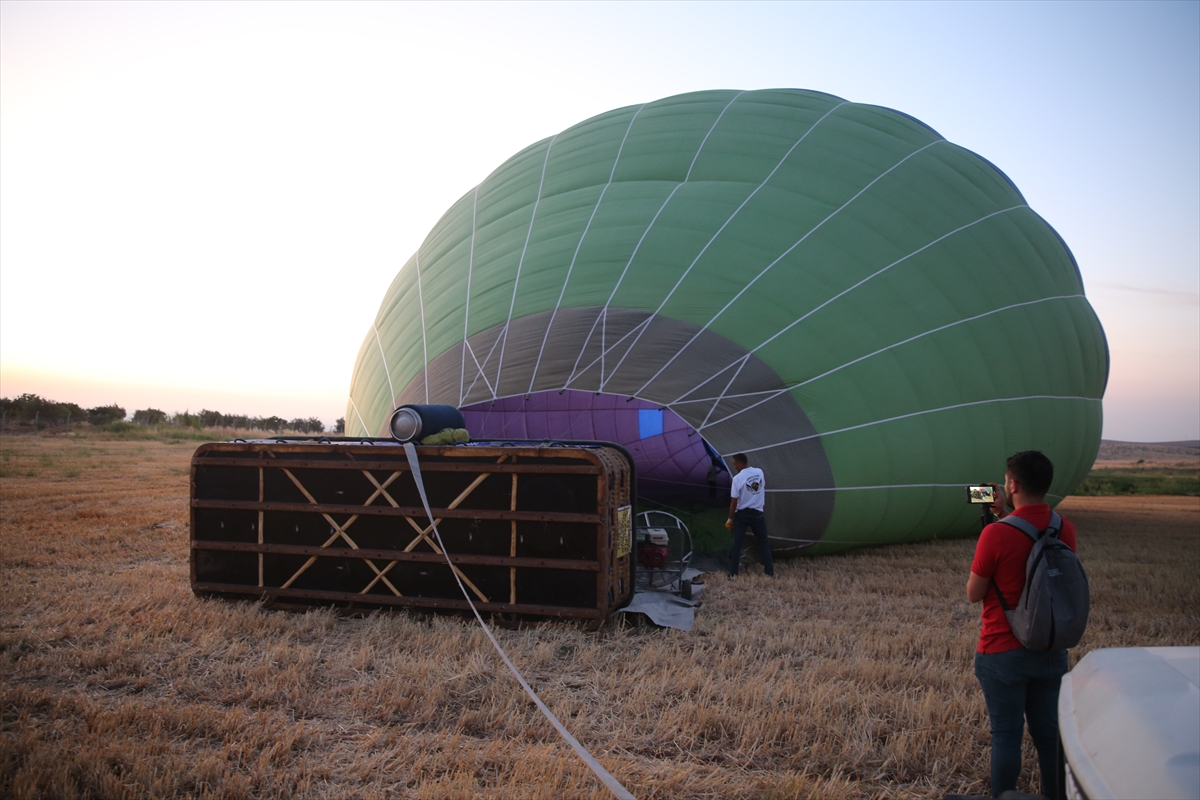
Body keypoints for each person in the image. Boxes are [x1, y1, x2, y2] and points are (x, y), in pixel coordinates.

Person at [966, 450, 1076, 800]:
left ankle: (1005, 795)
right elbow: (1036, 540)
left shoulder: (995, 535)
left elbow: (974, 593)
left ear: (1011, 484)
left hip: (1002, 649)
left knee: (1006, 735)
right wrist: (1004, 512)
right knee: (1049, 736)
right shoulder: (1063, 527)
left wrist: (999, 519)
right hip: (1050, 646)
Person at [725, 453, 774, 577]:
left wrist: (730, 518)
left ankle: (733, 574)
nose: (734, 466)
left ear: (740, 464)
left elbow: (734, 501)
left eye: (735, 464)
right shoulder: (759, 472)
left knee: (737, 543)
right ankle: (769, 573)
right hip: (758, 513)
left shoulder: (738, 478)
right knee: (763, 544)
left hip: (743, 514)